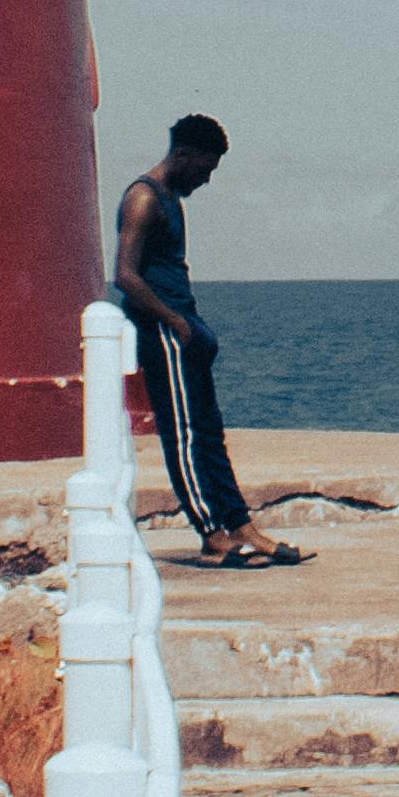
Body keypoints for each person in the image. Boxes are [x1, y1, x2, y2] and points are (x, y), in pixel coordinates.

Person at [114, 112, 298, 566]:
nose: (207, 179)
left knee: (210, 434)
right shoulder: (144, 198)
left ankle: (242, 525)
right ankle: (211, 532)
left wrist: (192, 325)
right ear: (183, 155)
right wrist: (173, 321)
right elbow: (125, 276)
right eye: (205, 169)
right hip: (163, 330)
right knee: (184, 435)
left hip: (185, 325)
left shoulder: (172, 198)